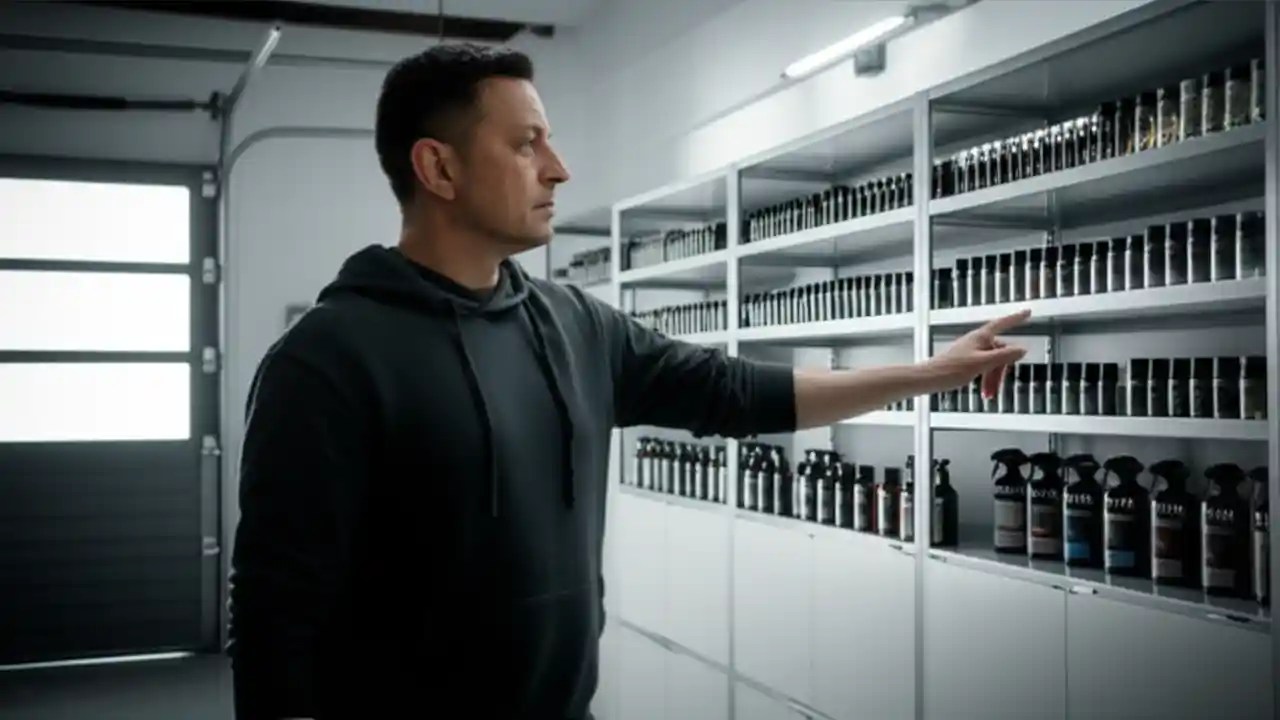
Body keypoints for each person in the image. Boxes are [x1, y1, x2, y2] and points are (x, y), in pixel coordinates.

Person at [225, 43, 1028, 720]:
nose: (559, 169)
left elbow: (737, 393)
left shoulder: (577, 324)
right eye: (526, 143)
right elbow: (275, 605)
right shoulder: (326, 359)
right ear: (437, 167)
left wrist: (931, 373)